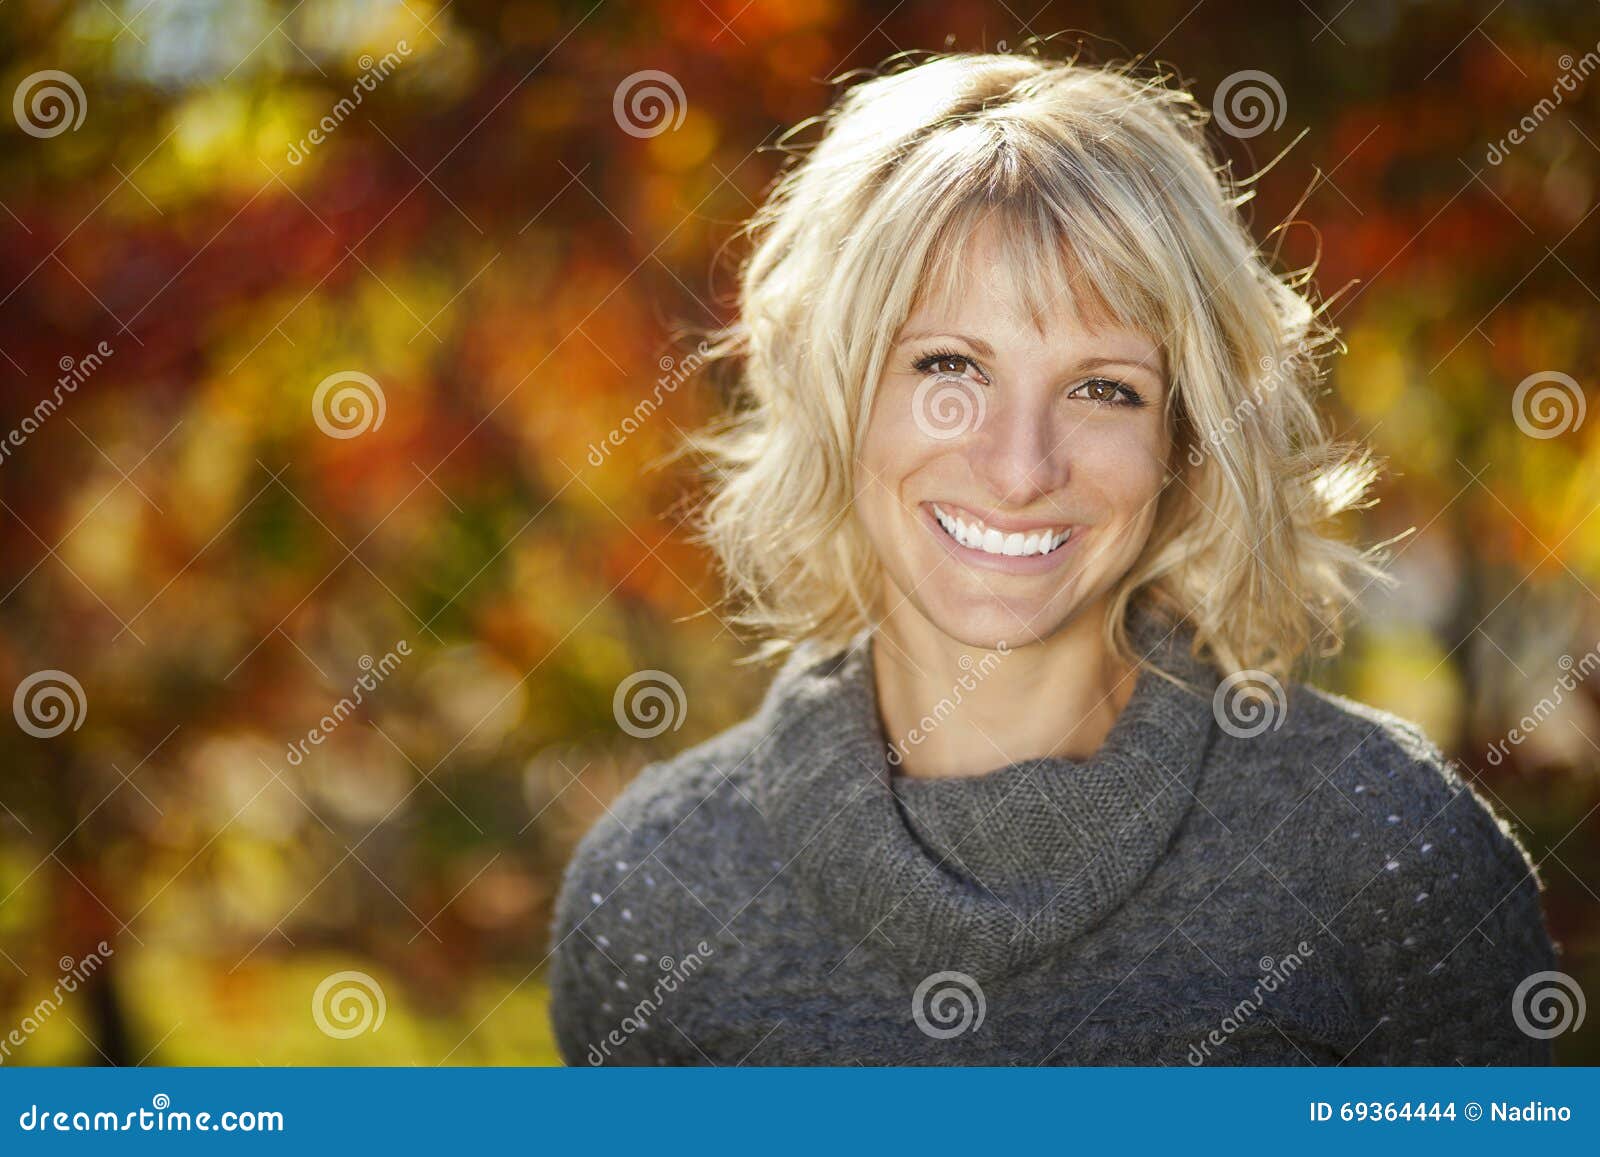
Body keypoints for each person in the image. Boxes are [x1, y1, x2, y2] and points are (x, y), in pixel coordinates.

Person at [546, 51, 1558, 1065]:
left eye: (1102, 387)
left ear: (1185, 436)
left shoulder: (1389, 854)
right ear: (837, 396)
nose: (1019, 467)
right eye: (948, 365)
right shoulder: (653, 892)